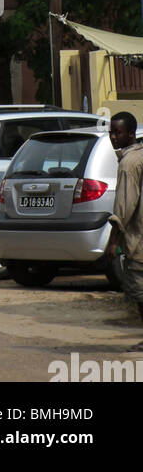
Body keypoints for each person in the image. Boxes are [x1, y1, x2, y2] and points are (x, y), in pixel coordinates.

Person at [106, 111, 143, 348]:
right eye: (111, 132)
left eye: (117, 132)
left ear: (131, 134)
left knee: (139, 292)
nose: (113, 137)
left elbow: (123, 208)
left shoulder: (129, 163)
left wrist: (112, 243)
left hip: (138, 241)